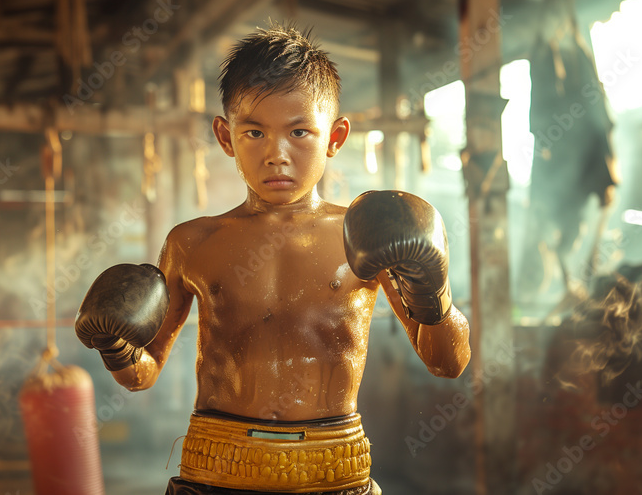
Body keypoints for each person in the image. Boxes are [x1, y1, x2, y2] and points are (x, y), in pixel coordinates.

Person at [75, 25, 471, 494]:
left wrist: (435, 297)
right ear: (226, 136)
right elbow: (142, 375)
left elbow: (448, 364)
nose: (276, 155)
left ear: (335, 136)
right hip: (216, 469)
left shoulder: (365, 232)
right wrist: (115, 348)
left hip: (335, 472)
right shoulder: (191, 242)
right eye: (255, 132)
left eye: (300, 131)